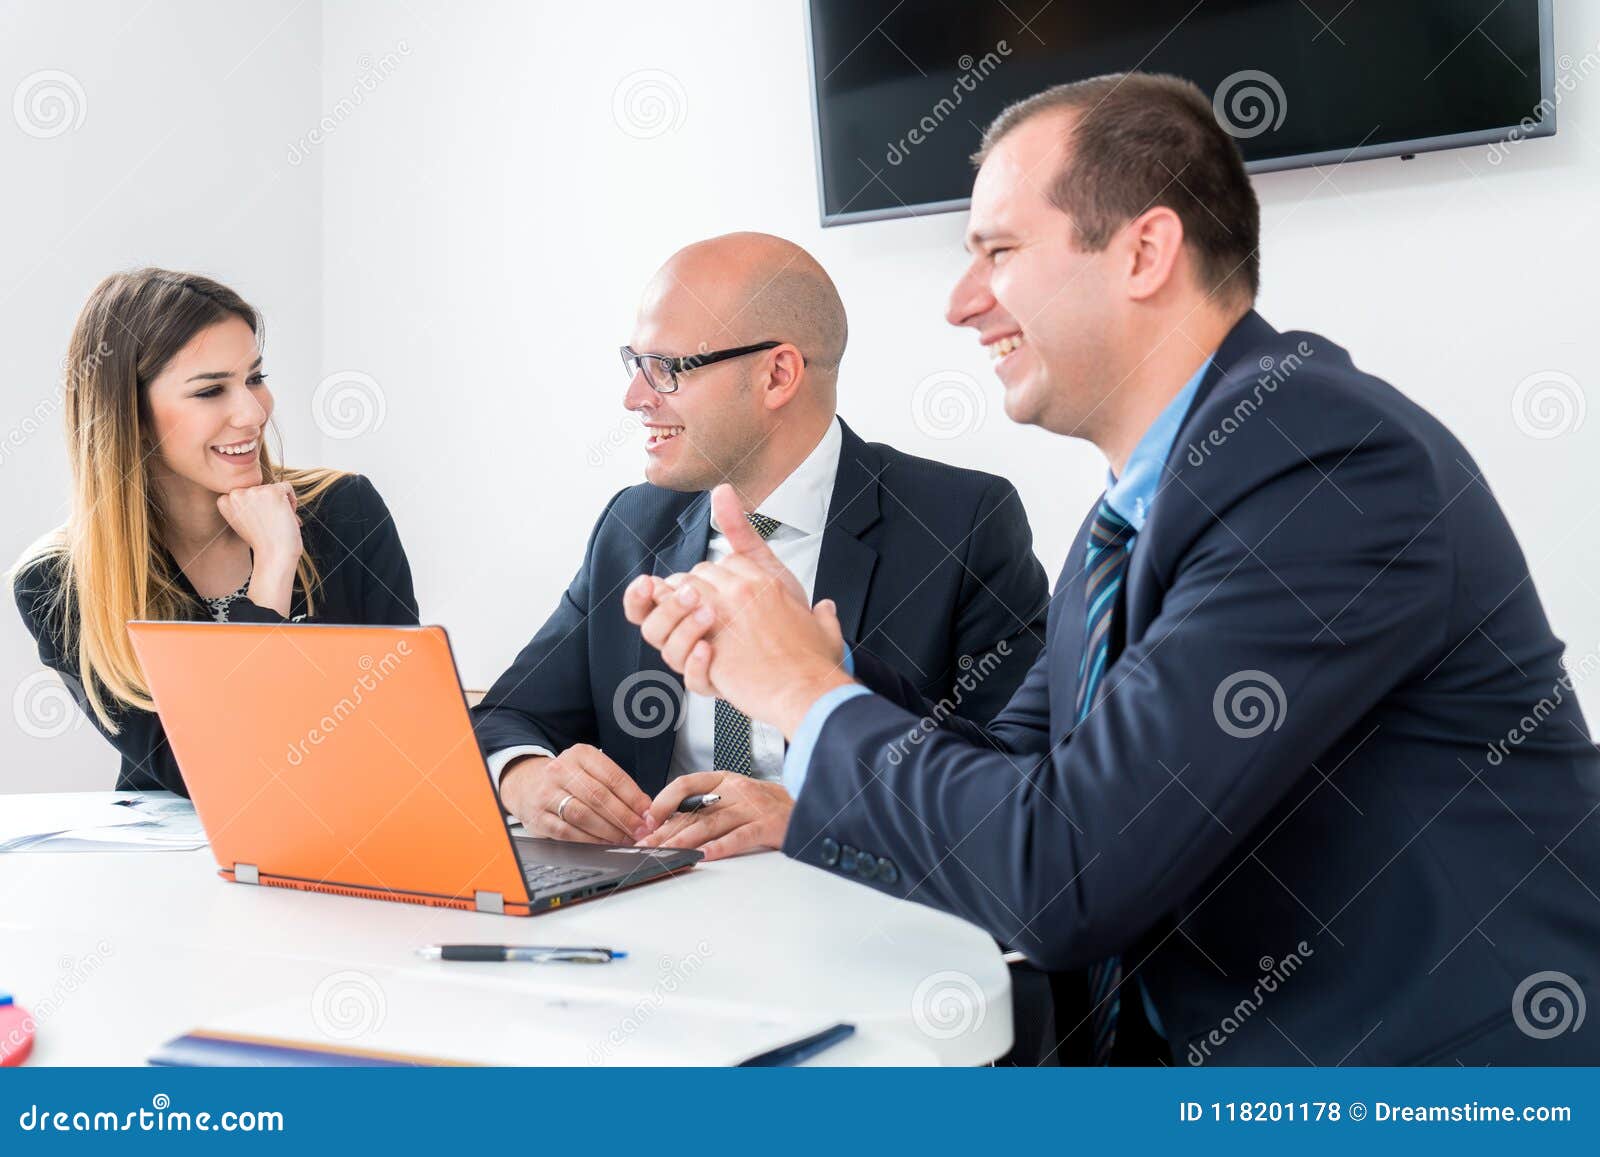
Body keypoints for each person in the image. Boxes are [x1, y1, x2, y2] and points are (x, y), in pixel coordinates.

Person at [624, 75, 1600, 1065]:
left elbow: (1066, 872)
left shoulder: (1330, 473)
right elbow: (1028, 779)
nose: (962, 303)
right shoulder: (1136, 511)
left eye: (997, 251)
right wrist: (820, 670)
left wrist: (806, 691)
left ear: (1143, 252)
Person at [471, 231, 1049, 861]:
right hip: (657, 907)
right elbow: (506, 717)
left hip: (853, 913)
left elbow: (1016, 777)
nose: (635, 398)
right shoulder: (633, 526)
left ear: (777, 375)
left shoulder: (960, 523)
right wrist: (525, 778)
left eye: (664, 368)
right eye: (632, 365)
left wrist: (816, 814)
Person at [11, 269, 418, 796]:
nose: (252, 413)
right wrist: (271, 572)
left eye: (254, 378)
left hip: (354, 845)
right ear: (128, 415)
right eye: (210, 391)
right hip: (176, 868)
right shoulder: (58, 579)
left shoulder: (344, 511)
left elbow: (406, 729)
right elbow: (214, 776)